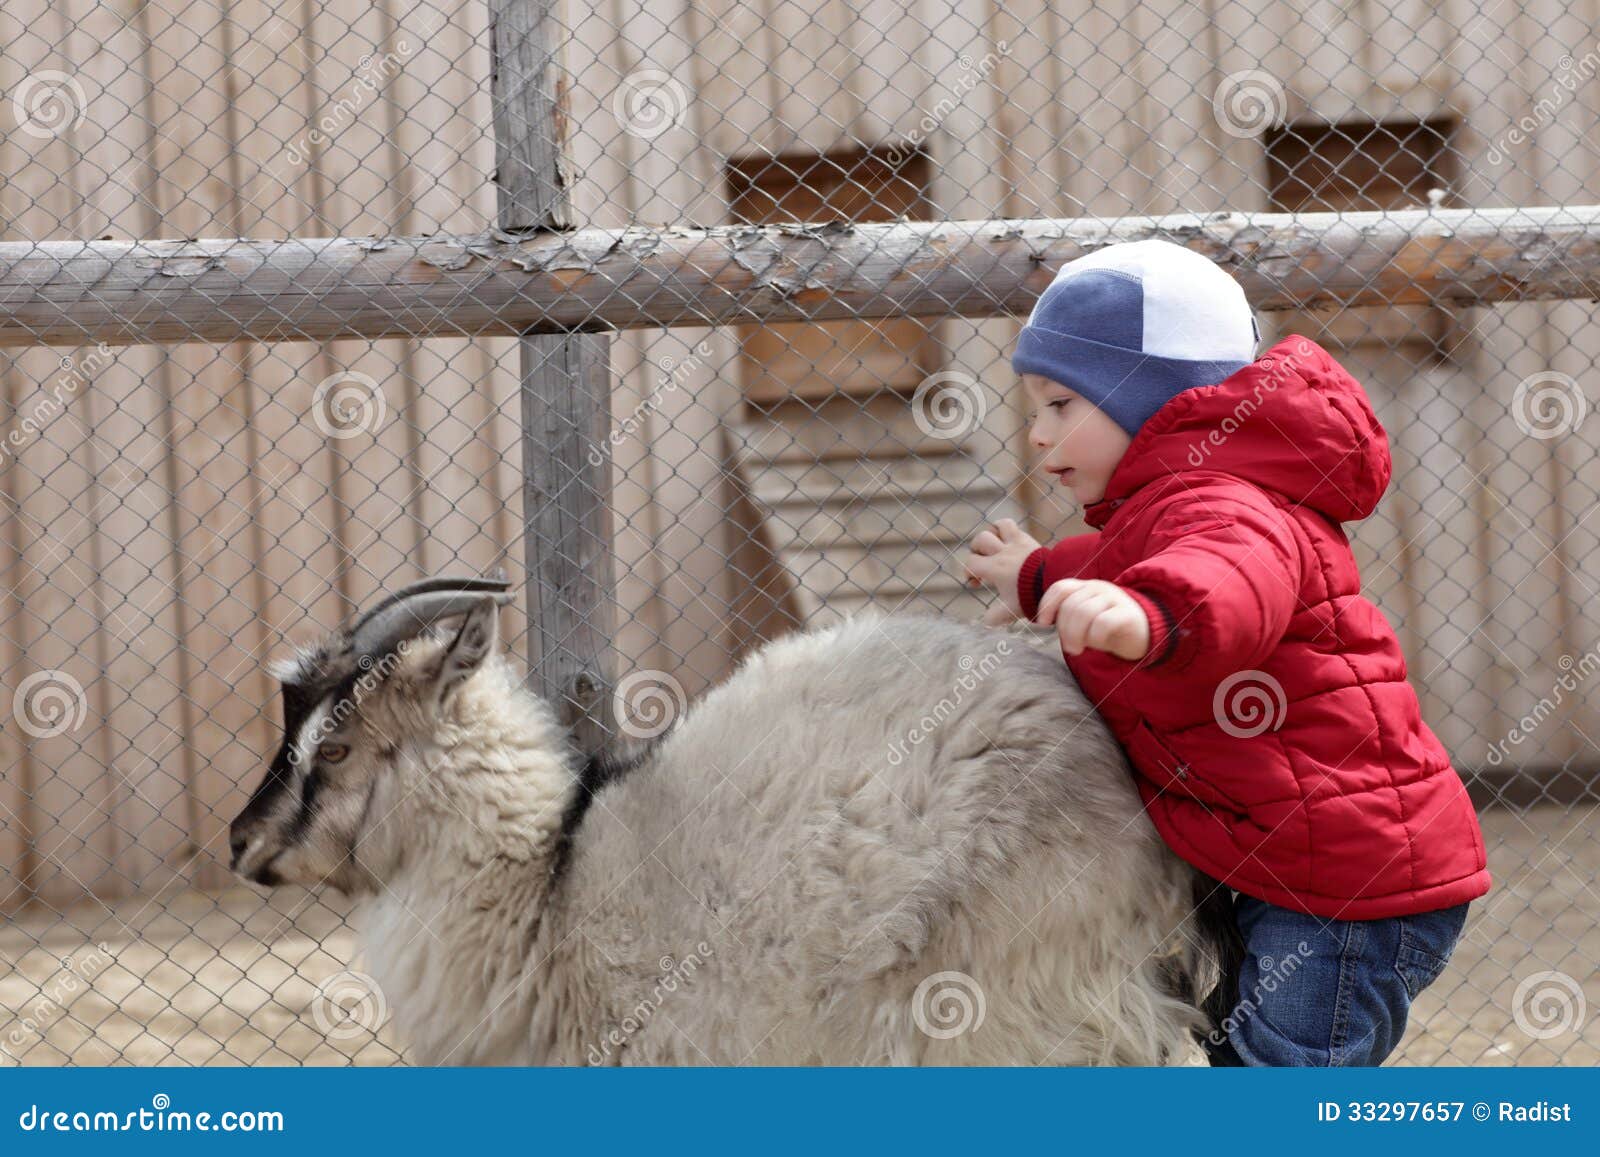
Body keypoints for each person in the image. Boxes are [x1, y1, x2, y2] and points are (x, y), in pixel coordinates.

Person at [963, 238, 1490, 1066]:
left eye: (1061, 403)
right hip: (1291, 868)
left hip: (1347, 888)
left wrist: (1149, 616)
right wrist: (1032, 575)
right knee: (1246, 1057)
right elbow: (1115, 561)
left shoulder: (1222, 502)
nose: (1037, 433)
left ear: (1147, 399)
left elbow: (1223, 579)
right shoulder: (1173, 500)